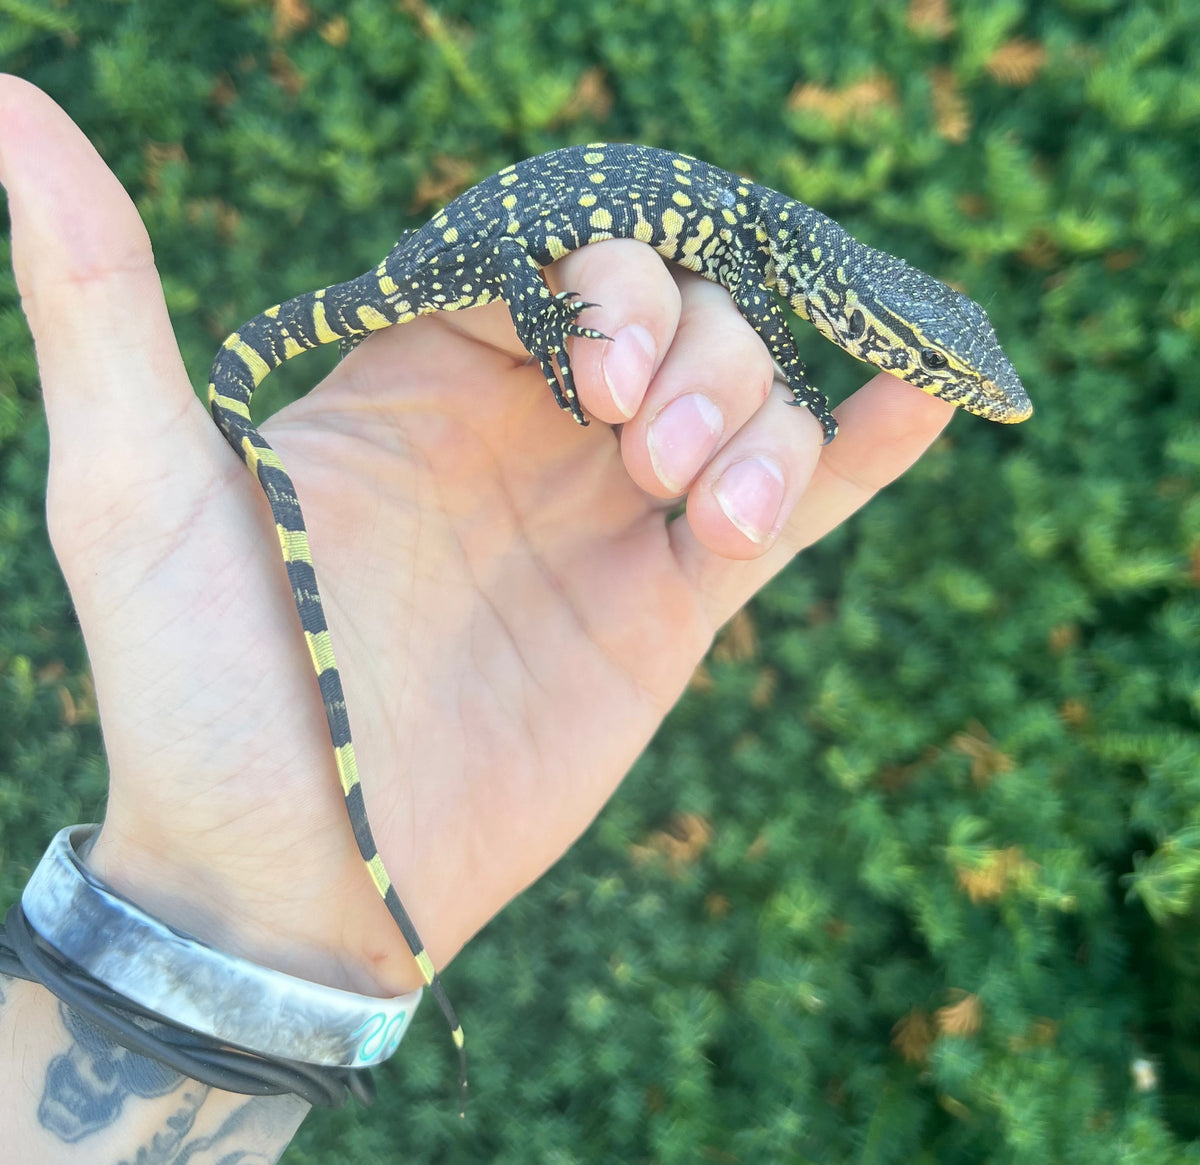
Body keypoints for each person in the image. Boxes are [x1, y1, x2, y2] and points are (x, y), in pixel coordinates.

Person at [0, 75, 954, 1163]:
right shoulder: (757, 245)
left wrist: (249, 923)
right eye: (929, 361)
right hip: (476, 260)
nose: (934, 379)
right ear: (869, 318)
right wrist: (580, 332)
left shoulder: (766, 245)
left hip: (487, 255)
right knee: (587, 308)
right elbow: (718, 304)